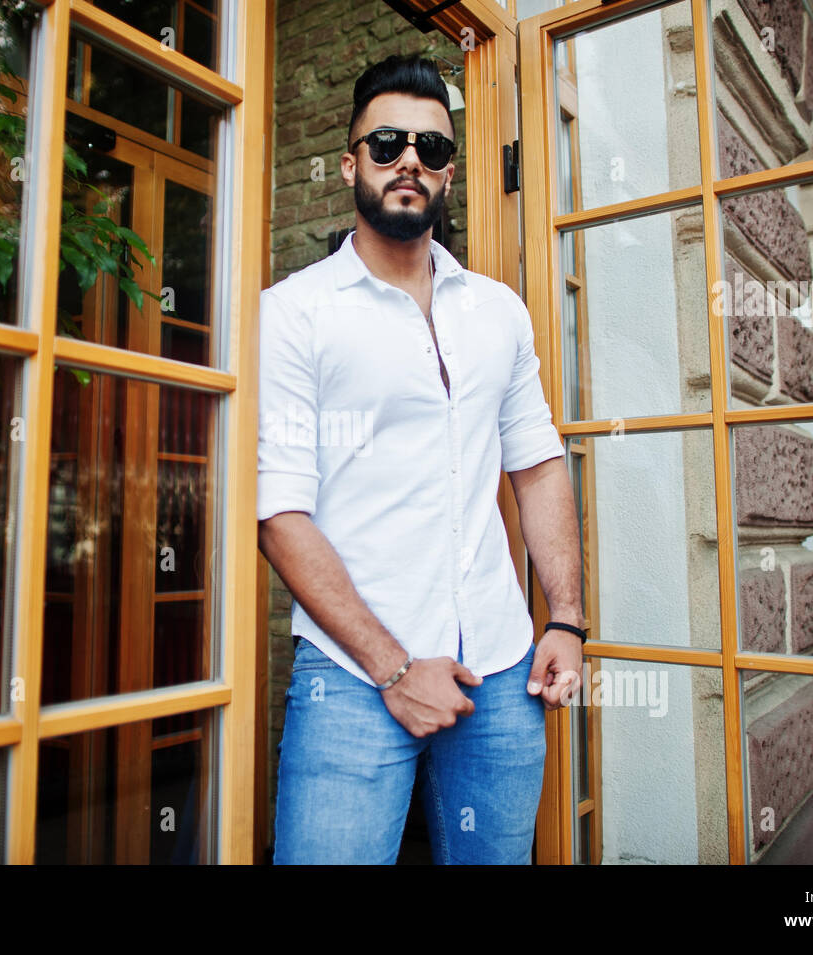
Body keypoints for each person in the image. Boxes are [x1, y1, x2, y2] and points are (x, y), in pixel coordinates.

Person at [258, 54, 586, 865]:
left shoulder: (499, 312)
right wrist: (394, 667)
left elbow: (537, 465)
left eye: (433, 149)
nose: (411, 160)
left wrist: (568, 619)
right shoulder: (292, 314)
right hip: (352, 677)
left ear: (449, 175)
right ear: (350, 163)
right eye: (387, 142)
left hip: (504, 670)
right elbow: (279, 512)